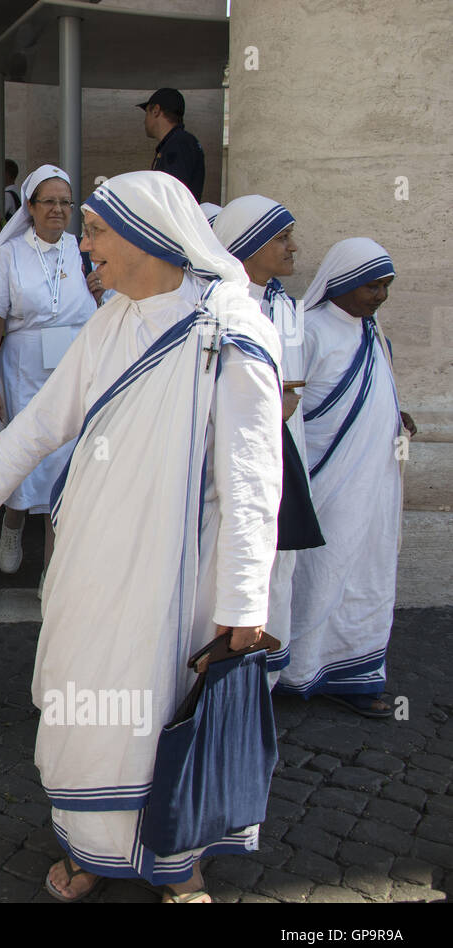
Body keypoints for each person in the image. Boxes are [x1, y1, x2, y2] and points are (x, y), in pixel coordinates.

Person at [0, 171, 283, 903]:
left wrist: (245, 601)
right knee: (84, 702)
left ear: (150, 236)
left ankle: (178, 860)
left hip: (170, 574)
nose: (81, 244)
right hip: (89, 559)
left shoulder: (231, 329)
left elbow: (252, 479)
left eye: (94, 230)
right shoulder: (112, 317)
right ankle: (91, 845)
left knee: (156, 709)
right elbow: (44, 419)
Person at [286, 238, 412, 718]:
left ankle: (353, 674)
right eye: (371, 285)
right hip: (327, 483)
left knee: (367, 575)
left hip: (373, 485)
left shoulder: (373, 331)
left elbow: (370, 389)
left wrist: (396, 413)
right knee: (322, 573)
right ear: (340, 283)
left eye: (385, 286)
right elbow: (295, 412)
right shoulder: (310, 330)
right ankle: (299, 670)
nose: (379, 295)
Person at [0, 165, 99, 576]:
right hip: (23, 370)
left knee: (66, 462)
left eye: (66, 202)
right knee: (25, 455)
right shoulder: (10, 255)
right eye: (50, 201)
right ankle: (12, 523)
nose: (59, 209)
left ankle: (52, 570)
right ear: (30, 206)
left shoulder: (82, 251)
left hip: (73, 369)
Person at [213, 194, 319, 677]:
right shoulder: (216, 310)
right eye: (281, 237)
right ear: (247, 246)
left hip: (279, 451)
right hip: (230, 462)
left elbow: (291, 390)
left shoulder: (286, 307)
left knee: (277, 563)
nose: (293, 247)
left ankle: (268, 678)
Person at [139, 87, 205, 202]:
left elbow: (172, 194)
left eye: (147, 113)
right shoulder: (175, 143)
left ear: (156, 110)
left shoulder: (180, 143)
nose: (144, 121)